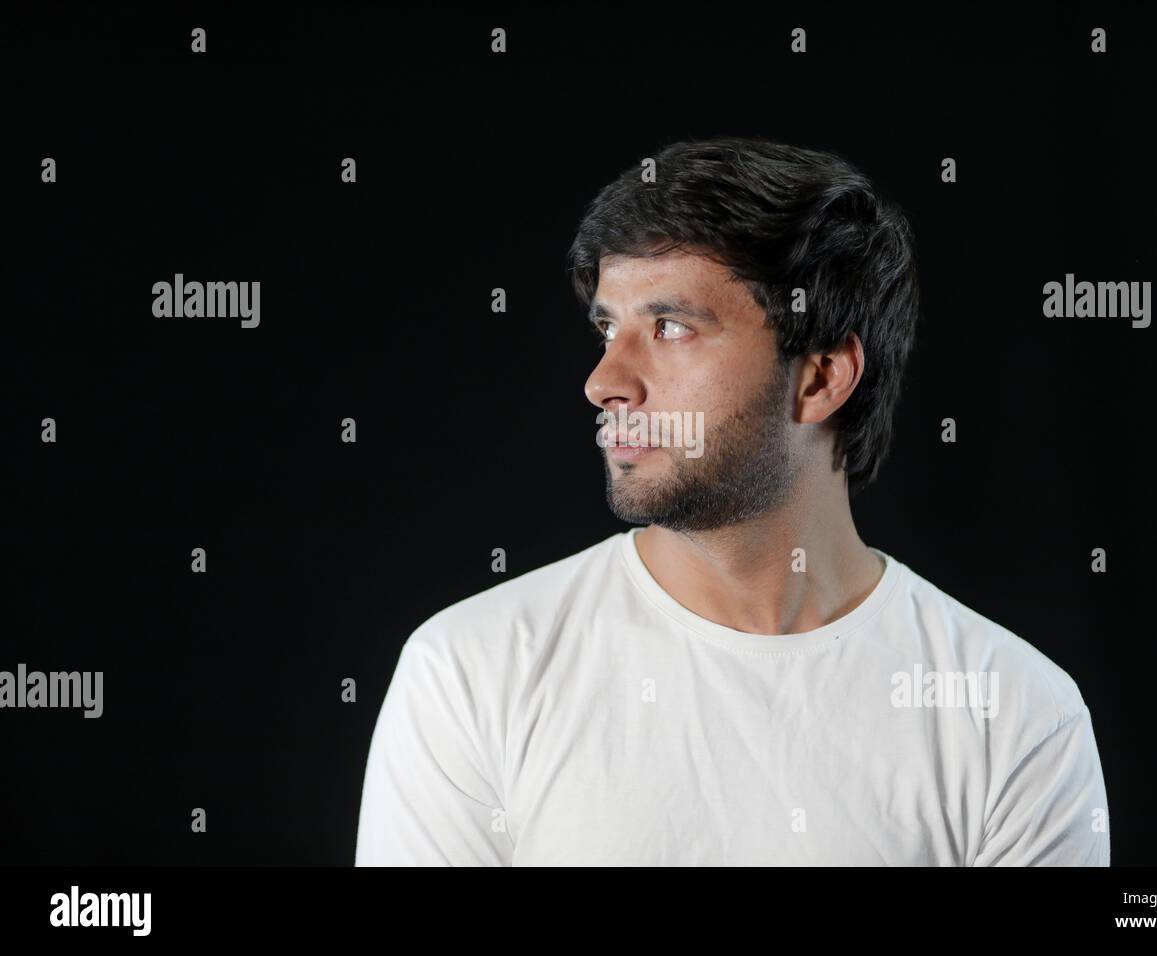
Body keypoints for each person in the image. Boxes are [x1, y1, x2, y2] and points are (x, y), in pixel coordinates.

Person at [354, 137, 1110, 866]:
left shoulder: (1012, 715)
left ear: (820, 378)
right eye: (608, 329)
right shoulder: (470, 675)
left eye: (671, 326)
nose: (604, 382)